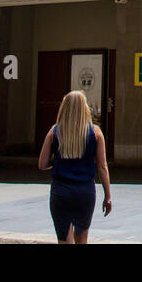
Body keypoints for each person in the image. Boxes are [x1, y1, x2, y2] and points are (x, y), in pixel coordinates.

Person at [38, 91, 112, 244]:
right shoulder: (96, 133)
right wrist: (108, 196)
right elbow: (102, 167)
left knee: (63, 238)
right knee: (82, 237)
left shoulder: (54, 131)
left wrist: (58, 162)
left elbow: (42, 164)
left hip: (61, 191)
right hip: (85, 192)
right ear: (85, 108)